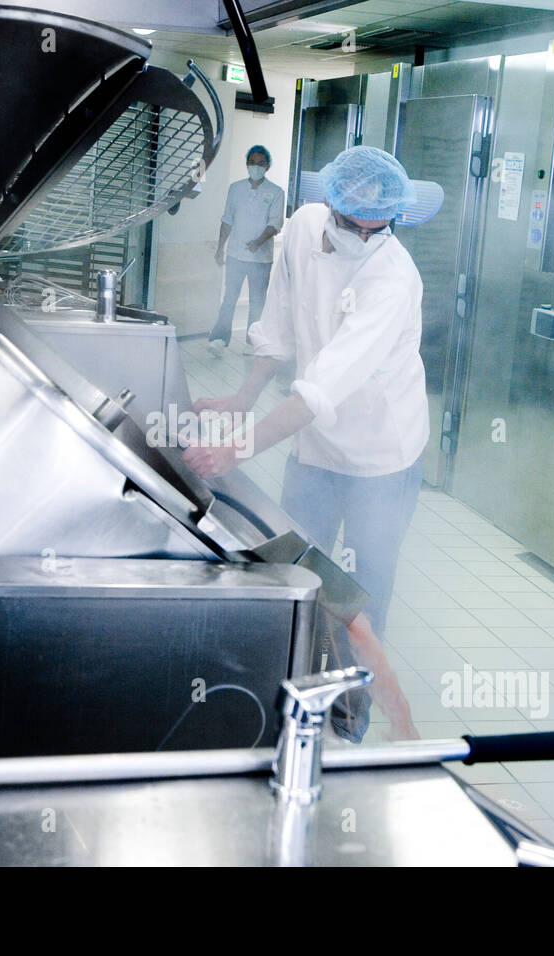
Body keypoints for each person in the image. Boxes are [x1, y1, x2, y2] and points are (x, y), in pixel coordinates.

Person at [183, 146, 426, 742]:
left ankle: (347, 728)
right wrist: (244, 396)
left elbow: (325, 385)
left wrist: (239, 447)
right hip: (316, 448)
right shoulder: (300, 230)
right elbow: (281, 324)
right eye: (352, 225)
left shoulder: (392, 279)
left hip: (380, 457)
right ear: (330, 205)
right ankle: (285, 706)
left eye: (379, 229)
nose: (364, 239)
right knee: (290, 573)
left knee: (360, 599)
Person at [207, 146, 285, 355]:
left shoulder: (276, 192)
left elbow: (275, 224)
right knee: (229, 298)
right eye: (252, 162)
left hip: (261, 258)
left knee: (257, 302)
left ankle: (253, 342)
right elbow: (227, 220)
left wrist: (258, 242)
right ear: (247, 164)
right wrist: (220, 248)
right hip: (235, 255)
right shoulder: (236, 188)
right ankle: (219, 340)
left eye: (260, 163)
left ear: (267, 166)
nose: (255, 167)